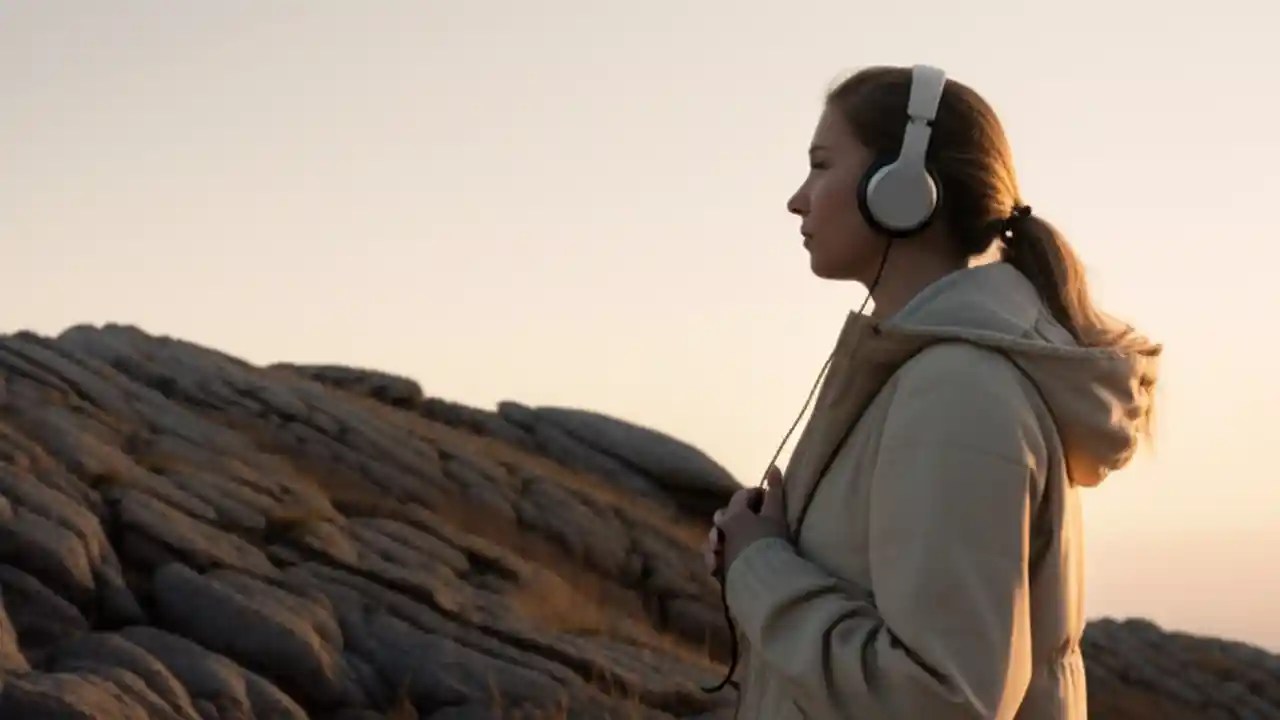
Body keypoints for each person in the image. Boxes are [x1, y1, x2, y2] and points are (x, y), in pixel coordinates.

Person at [699, 64, 1161, 719]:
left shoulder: (958, 396)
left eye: (822, 165)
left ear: (902, 188)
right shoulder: (924, 380)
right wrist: (767, 550)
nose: (798, 199)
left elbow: (945, 702)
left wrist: (761, 569)